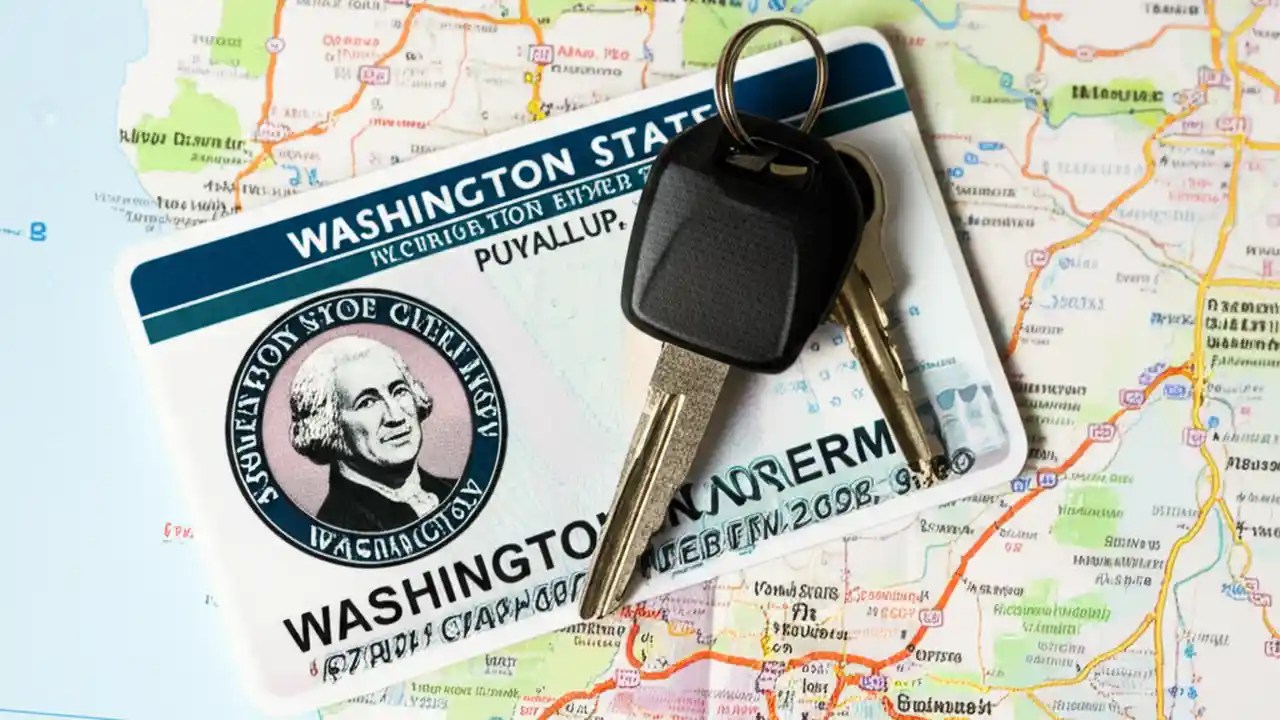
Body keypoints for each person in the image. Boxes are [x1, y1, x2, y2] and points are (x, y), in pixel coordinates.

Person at [288, 335, 456, 532]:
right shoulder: (343, 531)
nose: (395, 415)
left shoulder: (454, 490)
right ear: (329, 426)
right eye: (367, 402)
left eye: (399, 391)